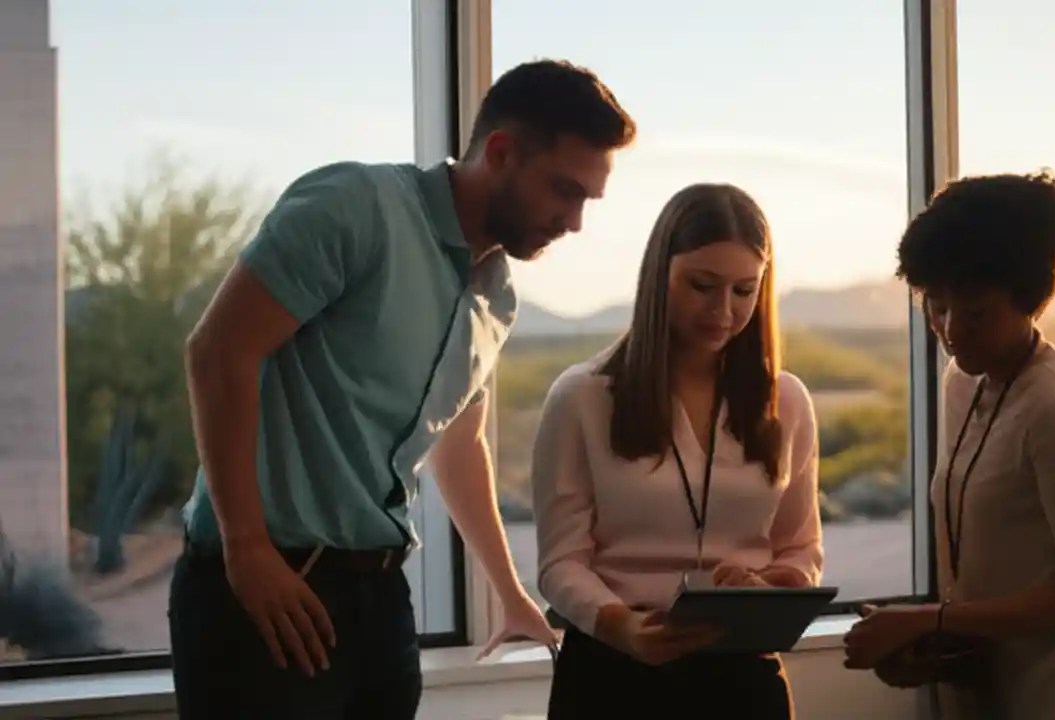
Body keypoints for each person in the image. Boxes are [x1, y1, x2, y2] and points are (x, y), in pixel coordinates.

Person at [167, 59, 636, 720]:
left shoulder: (496, 295)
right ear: (501, 152)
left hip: (380, 602)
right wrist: (247, 553)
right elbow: (218, 352)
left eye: (588, 198)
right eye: (565, 190)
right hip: (266, 589)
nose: (575, 221)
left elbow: (459, 444)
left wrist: (510, 591)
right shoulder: (356, 207)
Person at [841, 172, 1055, 719]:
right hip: (995, 692)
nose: (950, 329)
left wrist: (929, 621)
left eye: (976, 311)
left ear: (1030, 298)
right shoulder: (962, 383)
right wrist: (934, 640)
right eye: (934, 305)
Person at [531, 183, 823, 719]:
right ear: (658, 276)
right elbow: (559, 562)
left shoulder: (788, 401)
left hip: (743, 676)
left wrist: (765, 587)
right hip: (613, 670)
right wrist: (618, 624)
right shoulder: (581, 396)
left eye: (743, 290)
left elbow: (801, 550)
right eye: (702, 285)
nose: (723, 311)